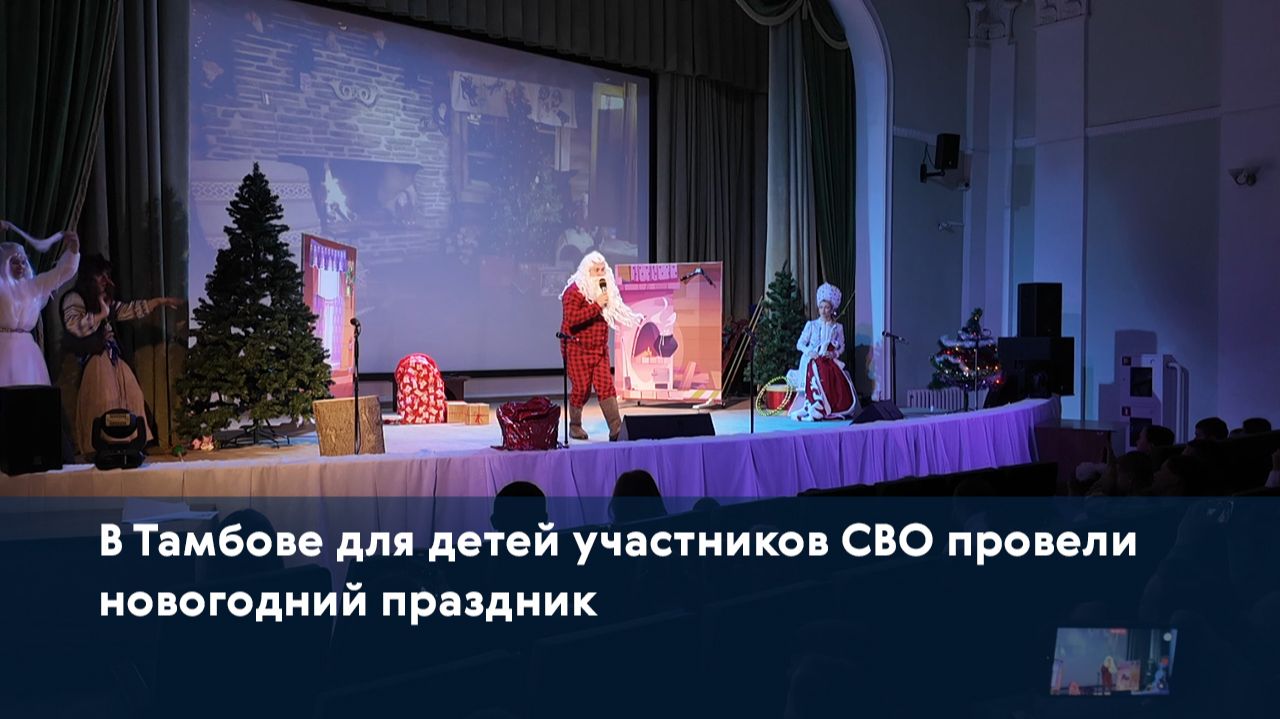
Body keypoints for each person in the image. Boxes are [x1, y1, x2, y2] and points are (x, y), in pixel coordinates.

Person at [61, 254, 182, 456]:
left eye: (107, 276)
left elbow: (128, 309)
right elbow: (74, 325)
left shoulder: (103, 300)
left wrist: (159, 302)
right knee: (106, 398)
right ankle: (103, 445)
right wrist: (101, 314)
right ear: (89, 277)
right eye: (100, 276)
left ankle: (129, 442)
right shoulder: (75, 298)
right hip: (96, 358)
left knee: (132, 394)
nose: (105, 281)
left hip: (112, 355)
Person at [559, 251, 642, 441]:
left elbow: (614, 310)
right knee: (581, 389)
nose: (600, 274)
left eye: (603, 269)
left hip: (599, 349)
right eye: (596, 270)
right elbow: (572, 320)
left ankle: (616, 429)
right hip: (577, 348)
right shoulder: (573, 292)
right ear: (587, 271)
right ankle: (575, 426)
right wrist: (596, 305)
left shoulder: (606, 289)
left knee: (606, 387)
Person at [0, 221, 79, 387]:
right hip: (3, 348)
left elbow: (60, 274)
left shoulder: (33, 286)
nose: (20, 266)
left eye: (23, 262)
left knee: (30, 397)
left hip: (27, 353)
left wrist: (73, 251)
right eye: (15, 262)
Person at [786, 282, 857, 421]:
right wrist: (809, 352)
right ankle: (814, 405)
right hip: (811, 359)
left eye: (827, 307)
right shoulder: (811, 325)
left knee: (834, 375)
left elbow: (841, 346)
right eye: (821, 307)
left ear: (832, 309)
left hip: (828, 360)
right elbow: (800, 344)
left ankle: (832, 407)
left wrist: (834, 354)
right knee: (816, 370)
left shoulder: (837, 327)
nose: (823, 311)